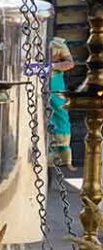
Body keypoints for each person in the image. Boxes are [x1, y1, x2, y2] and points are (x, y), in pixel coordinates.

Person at [49, 37, 75, 170]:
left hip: (55, 82)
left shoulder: (57, 43)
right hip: (34, 84)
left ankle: (64, 156)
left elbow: (70, 63)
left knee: (60, 114)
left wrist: (53, 66)